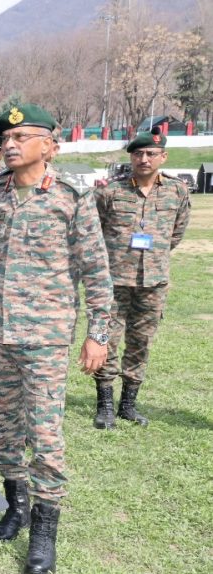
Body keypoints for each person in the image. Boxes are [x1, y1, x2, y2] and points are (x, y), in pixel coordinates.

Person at [0, 104, 113, 574]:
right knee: (2, 428)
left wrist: (97, 334)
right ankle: (16, 506)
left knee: (44, 432)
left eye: (22, 136)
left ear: (49, 145)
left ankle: (44, 528)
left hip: (44, 336)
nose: (11, 145)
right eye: (5, 139)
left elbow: (96, 270)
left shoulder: (70, 196)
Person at [91, 129, 190, 429]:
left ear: (163, 157)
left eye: (150, 154)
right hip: (114, 283)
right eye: (138, 154)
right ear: (131, 157)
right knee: (106, 340)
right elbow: (93, 233)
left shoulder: (177, 191)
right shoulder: (110, 192)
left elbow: (176, 232)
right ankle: (105, 405)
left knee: (141, 343)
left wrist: (155, 255)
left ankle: (128, 405)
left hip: (153, 284)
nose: (144, 159)